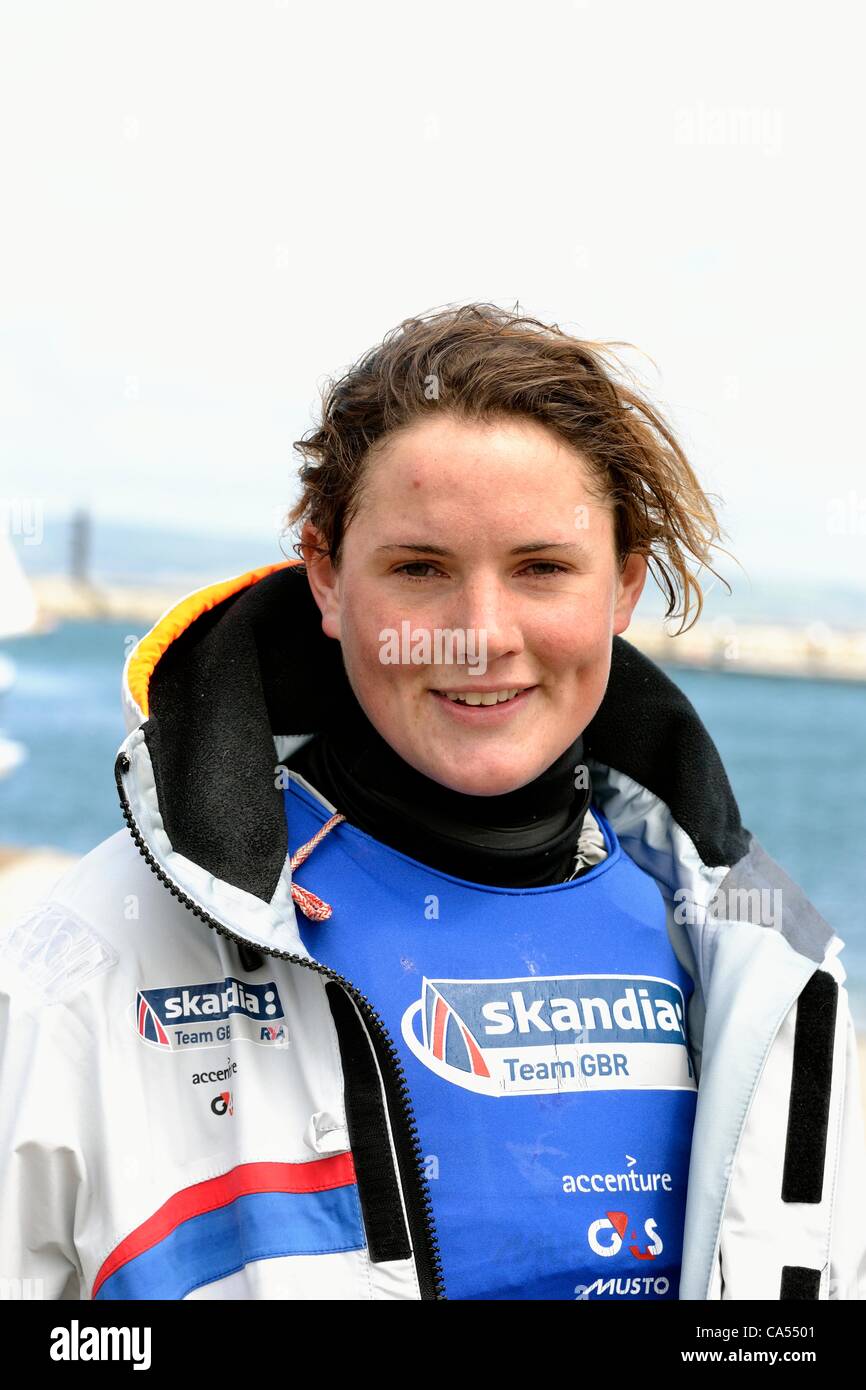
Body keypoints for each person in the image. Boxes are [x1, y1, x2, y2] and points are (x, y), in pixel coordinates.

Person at [1, 303, 864, 1302]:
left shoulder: (765, 963)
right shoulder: (94, 961)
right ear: (324, 576)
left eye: (541, 568)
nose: (479, 634)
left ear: (622, 586)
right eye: (420, 569)